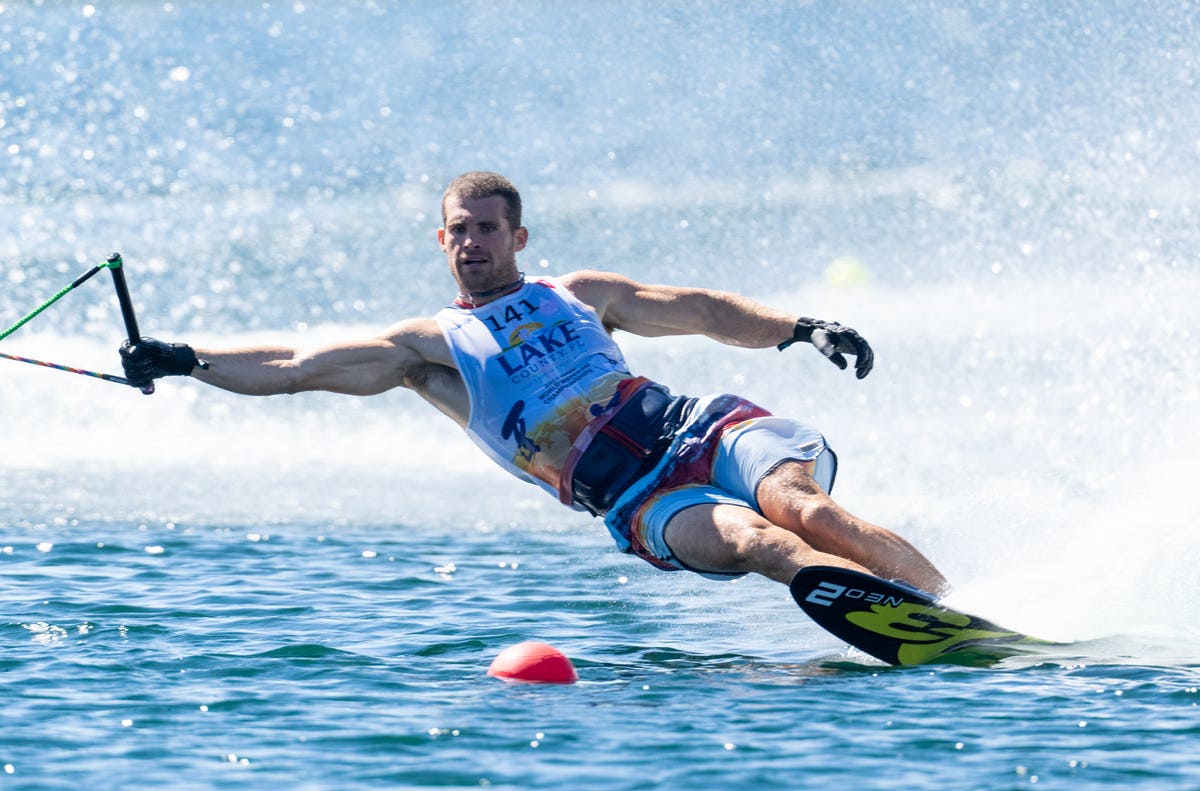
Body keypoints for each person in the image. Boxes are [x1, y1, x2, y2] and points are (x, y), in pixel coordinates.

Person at [120, 171, 948, 596]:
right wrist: (186, 357)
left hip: (701, 430)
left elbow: (698, 309)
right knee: (760, 543)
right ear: (441, 240)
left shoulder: (578, 293)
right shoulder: (431, 349)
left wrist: (801, 326)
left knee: (809, 510)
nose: (471, 242)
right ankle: (889, 613)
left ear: (517, 236)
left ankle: (955, 603)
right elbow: (298, 365)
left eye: (487, 228)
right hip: (642, 499)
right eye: (458, 230)